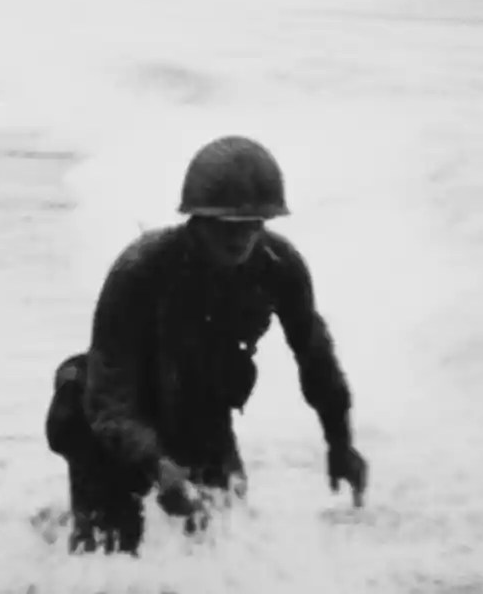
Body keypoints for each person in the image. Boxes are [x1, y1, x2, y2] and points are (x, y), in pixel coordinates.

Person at [44, 135, 368, 555]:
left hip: (200, 414)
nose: (242, 238)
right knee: (107, 555)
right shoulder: (140, 269)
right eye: (228, 226)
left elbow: (315, 357)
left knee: (223, 547)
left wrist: (339, 442)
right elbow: (108, 401)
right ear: (197, 221)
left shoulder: (278, 267)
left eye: (254, 224)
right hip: (115, 417)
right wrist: (159, 468)